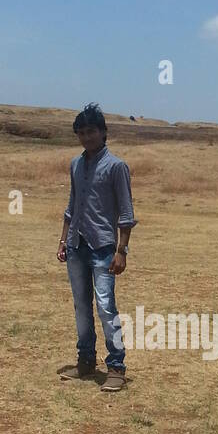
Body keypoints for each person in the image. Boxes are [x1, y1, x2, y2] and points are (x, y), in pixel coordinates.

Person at [57, 102, 136, 392]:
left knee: (105, 306)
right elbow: (71, 206)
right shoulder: (75, 165)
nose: (86, 138)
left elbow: (126, 214)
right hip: (76, 246)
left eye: (91, 131)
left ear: (104, 133)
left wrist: (121, 250)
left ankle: (116, 367)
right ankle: (86, 362)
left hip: (103, 247)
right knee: (81, 307)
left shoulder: (116, 167)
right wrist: (63, 240)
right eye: (81, 133)